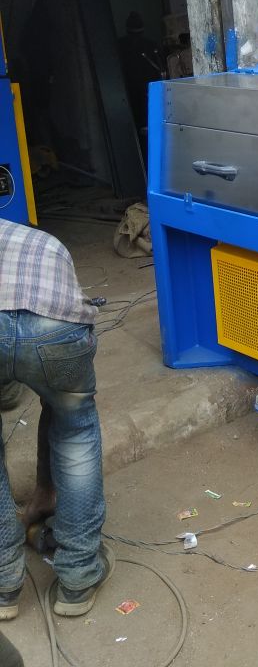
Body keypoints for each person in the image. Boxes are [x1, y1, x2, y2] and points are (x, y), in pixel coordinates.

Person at [0, 219, 112, 621]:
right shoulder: (42, 241)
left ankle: (4, 584)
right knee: (74, 426)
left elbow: (7, 396)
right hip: (55, 331)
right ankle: (78, 579)